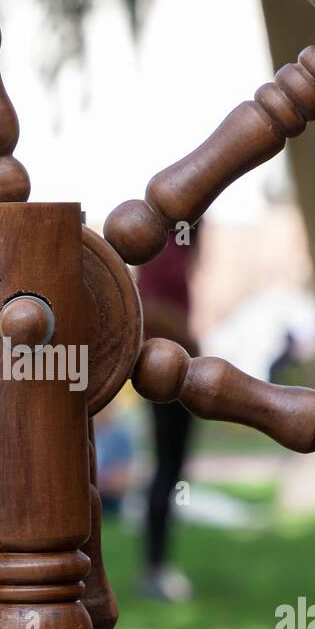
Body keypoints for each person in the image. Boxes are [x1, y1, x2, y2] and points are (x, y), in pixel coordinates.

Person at [136, 227, 201, 601]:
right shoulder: (164, 254)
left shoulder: (175, 253)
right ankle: (154, 567)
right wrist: (193, 344)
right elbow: (152, 307)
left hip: (178, 369)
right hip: (167, 372)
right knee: (166, 470)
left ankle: (158, 565)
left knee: (171, 470)